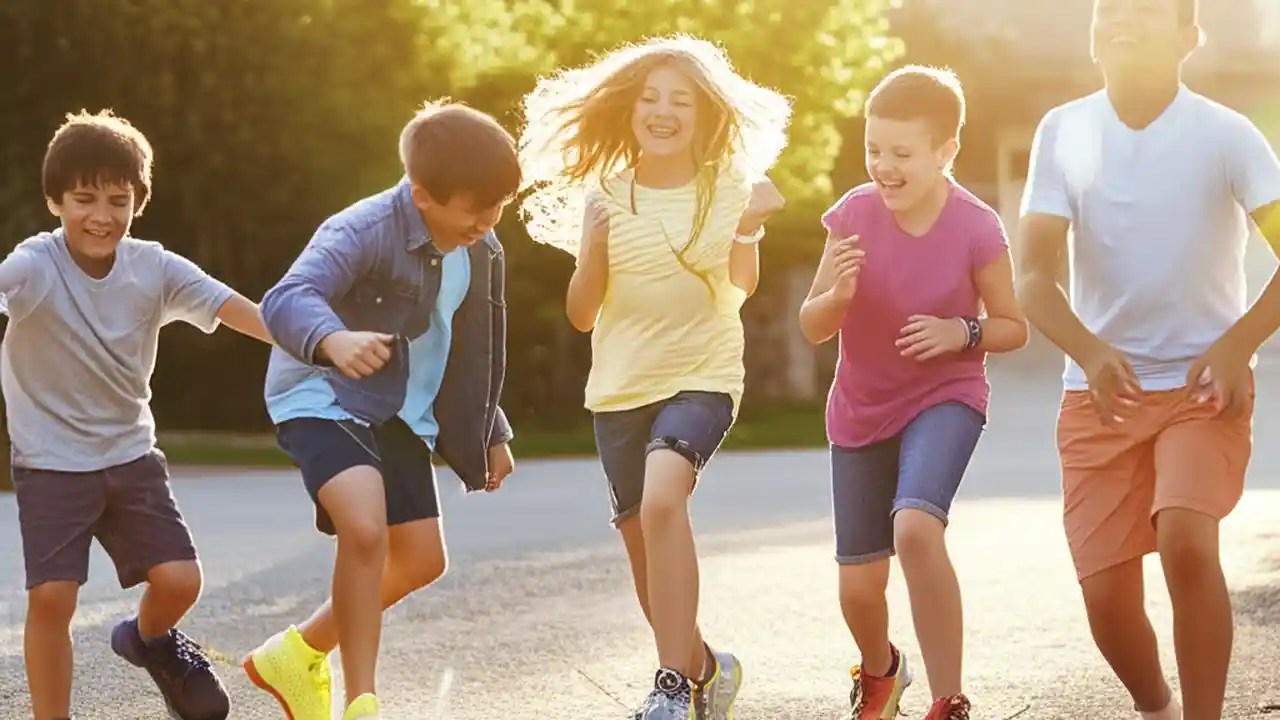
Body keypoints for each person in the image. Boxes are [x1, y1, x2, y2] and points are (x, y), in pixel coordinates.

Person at [1016, 1, 1280, 718]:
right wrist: (1091, 351)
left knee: (1188, 540)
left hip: (1202, 389)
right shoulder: (1063, 130)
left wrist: (1237, 344)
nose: (1121, 18)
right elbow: (1034, 275)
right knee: (1106, 598)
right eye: (1109, 10)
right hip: (1098, 394)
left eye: (1144, 9)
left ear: (1189, 38)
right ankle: (1156, 705)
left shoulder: (1227, 136)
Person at [516, 34, 790, 720]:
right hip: (619, 388)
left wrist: (750, 229)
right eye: (650, 98)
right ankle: (702, 667)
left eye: (681, 100)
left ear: (704, 115)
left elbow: (739, 290)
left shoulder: (726, 188)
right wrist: (595, 249)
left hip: (703, 373)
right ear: (630, 109)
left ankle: (668, 687)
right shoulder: (606, 196)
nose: (663, 111)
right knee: (644, 555)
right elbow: (582, 315)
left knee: (665, 499)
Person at [242, 100, 520, 720]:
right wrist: (334, 340)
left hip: (396, 410)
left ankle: (296, 653)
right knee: (364, 530)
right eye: (475, 208)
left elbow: (473, 345)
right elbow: (288, 297)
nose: (487, 220)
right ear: (423, 196)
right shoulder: (362, 229)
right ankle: (361, 701)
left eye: (499, 205)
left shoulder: (483, 248)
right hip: (324, 393)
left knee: (422, 559)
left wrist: (489, 428)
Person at [0, 109, 273, 720]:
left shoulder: (153, 267)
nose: (101, 215)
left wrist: (316, 342)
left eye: (117, 199)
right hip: (50, 464)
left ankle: (148, 641)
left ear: (137, 202)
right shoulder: (34, 266)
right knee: (52, 598)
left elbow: (232, 307)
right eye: (83, 198)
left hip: (129, 456)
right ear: (54, 201)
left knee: (181, 581)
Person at [799, 65, 1027, 720]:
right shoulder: (852, 216)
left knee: (917, 527)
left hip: (946, 395)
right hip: (861, 406)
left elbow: (1014, 327)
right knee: (859, 587)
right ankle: (881, 671)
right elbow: (812, 325)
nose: (884, 167)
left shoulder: (977, 227)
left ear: (945, 151)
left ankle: (948, 699)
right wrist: (836, 296)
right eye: (875, 150)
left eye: (901, 153)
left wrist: (963, 331)